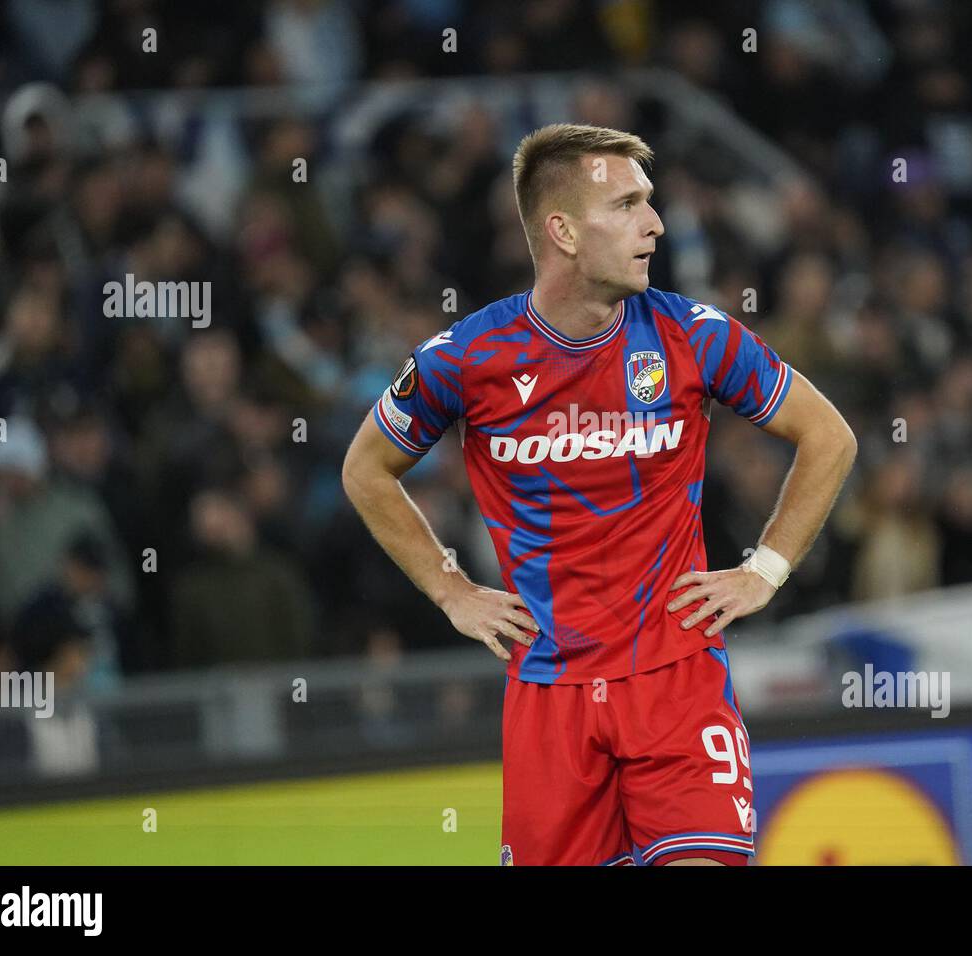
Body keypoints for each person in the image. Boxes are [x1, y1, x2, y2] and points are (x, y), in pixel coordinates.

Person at [342, 124, 857, 866]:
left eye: (649, 202)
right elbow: (366, 468)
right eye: (626, 205)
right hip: (551, 697)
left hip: (677, 683)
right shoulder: (466, 359)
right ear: (564, 231)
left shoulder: (694, 337)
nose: (655, 223)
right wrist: (452, 590)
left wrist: (764, 570)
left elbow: (828, 436)